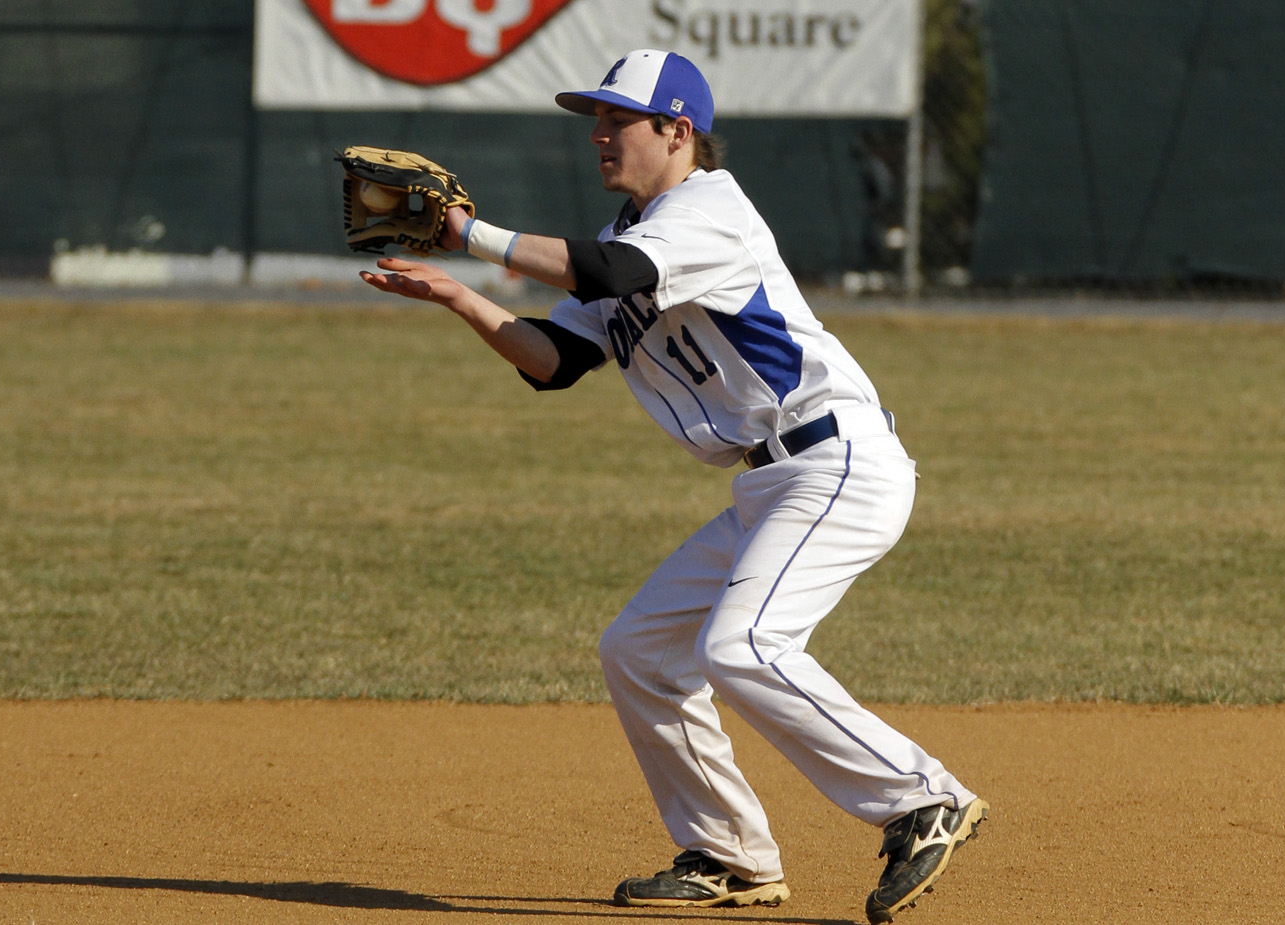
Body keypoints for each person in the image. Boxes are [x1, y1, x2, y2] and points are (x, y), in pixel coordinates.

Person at [358, 48, 987, 924]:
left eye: (618, 120)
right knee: (640, 651)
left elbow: (612, 275)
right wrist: (461, 298)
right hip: (772, 484)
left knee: (743, 645)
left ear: (677, 131)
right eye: (596, 120)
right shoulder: (626, 235)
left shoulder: (708, 211)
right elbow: (555, 360)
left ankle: (923, 798)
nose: (600, 135)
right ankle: (731, 854)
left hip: (837, 460)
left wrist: (471, 234)